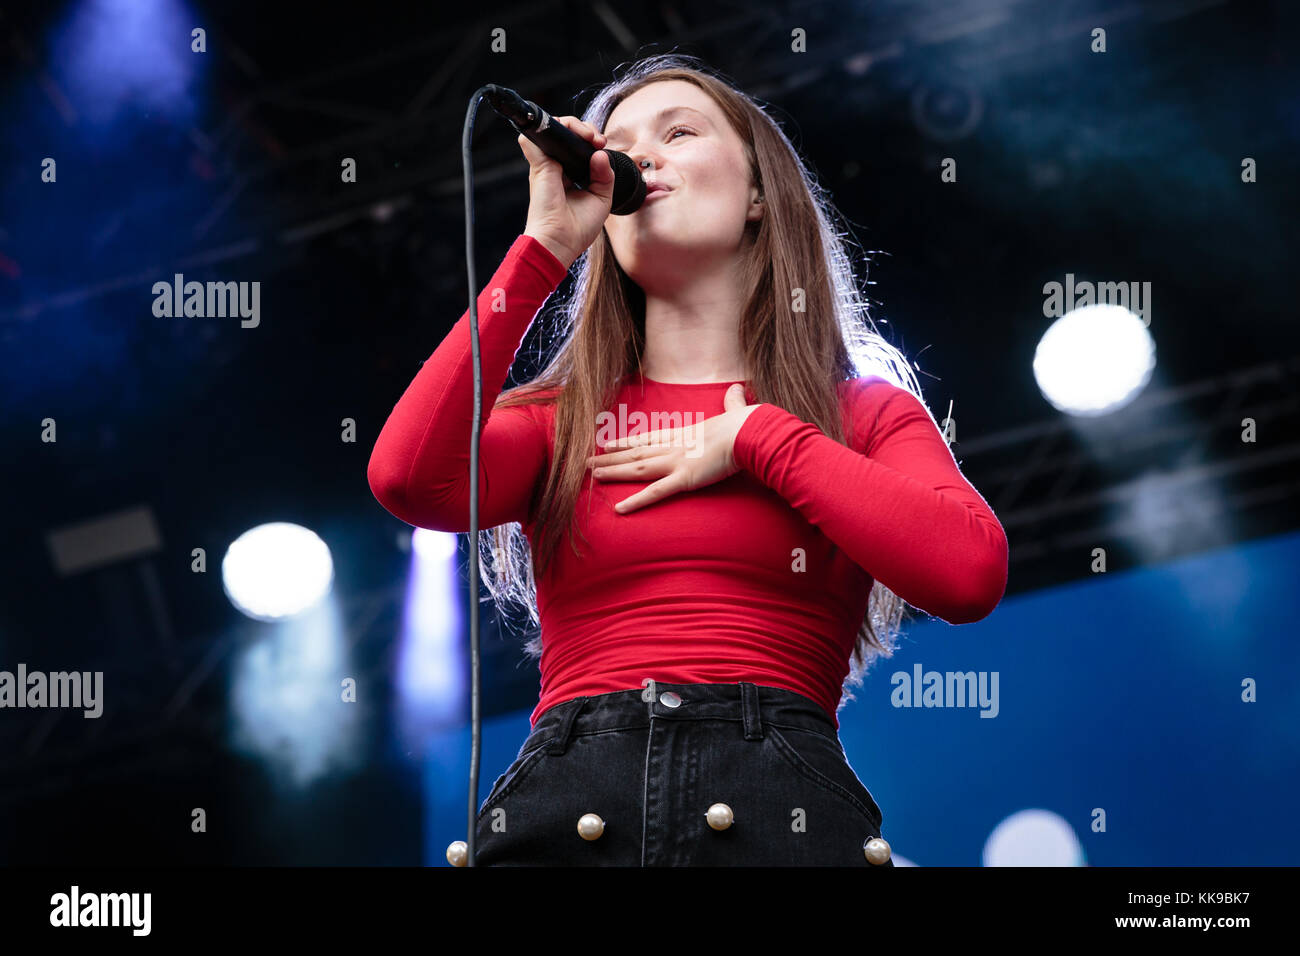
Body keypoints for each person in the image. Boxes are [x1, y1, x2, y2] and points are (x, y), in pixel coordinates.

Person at [367, 54, 1008, 866]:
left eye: (679, 132)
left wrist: (759, 440)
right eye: (624, 143)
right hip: (571, 806)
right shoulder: (559, 421)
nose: (642, 158)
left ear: (757, 196)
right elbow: (406, 477)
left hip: (776, 803)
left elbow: (968, 572)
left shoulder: (861, 415)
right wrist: (542, 249)